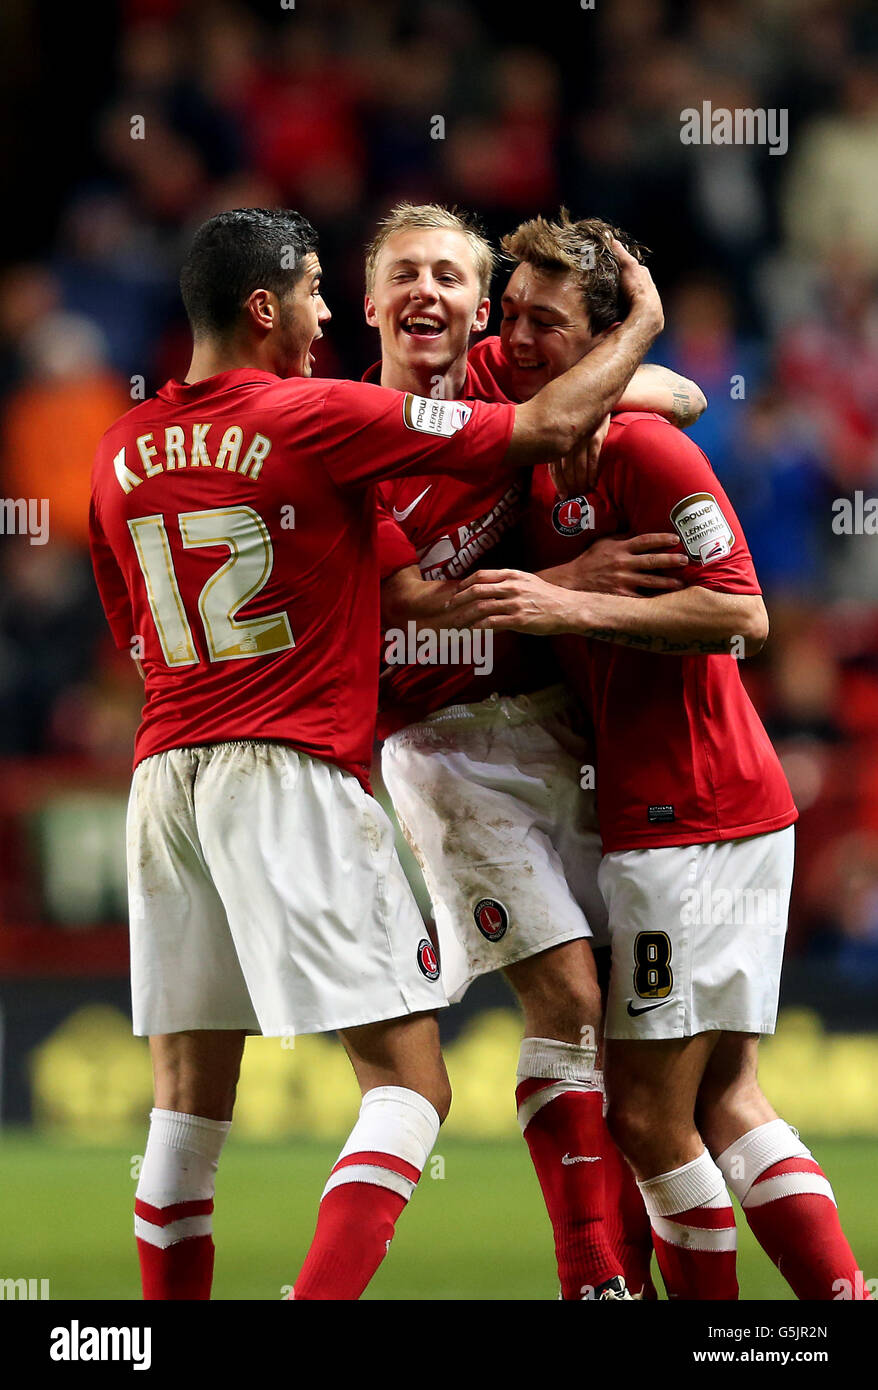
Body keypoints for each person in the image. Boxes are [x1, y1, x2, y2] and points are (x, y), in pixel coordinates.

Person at [88, 206, 663, 1301]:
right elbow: (540, 433)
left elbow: (133, 634)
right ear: (265, 307)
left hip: (163, 776)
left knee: (184, 1107)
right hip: (292, 768)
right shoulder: (317, 414)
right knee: (408, 1088)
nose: (317, 313)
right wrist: (641, 322)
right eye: (309, 290)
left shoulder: (118, 450)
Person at [449, 211, 867, 1301]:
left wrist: (558, 601)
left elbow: (744, 613)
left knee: (641, 1111)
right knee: (727, 1097)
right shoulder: (540, 441)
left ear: (600, 344)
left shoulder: (642, 447)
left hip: (689, 818)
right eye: (511, 315)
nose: (518, 338)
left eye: (547, 323)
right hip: (697, 813)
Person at [365, 202, 701, 1299]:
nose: (427, 292)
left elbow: (686, 397)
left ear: (477, 312)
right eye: (402, 274)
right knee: (564, 1003)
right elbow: (406, 606)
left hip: (562, 732)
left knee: (616, 1025)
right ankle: (589, 1275)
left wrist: (618, 373)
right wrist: (562, 584)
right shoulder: (343, 430)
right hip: (444, 748)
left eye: (449, 277)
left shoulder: (510, 396)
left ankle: (636, 1273)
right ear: (369, 305)